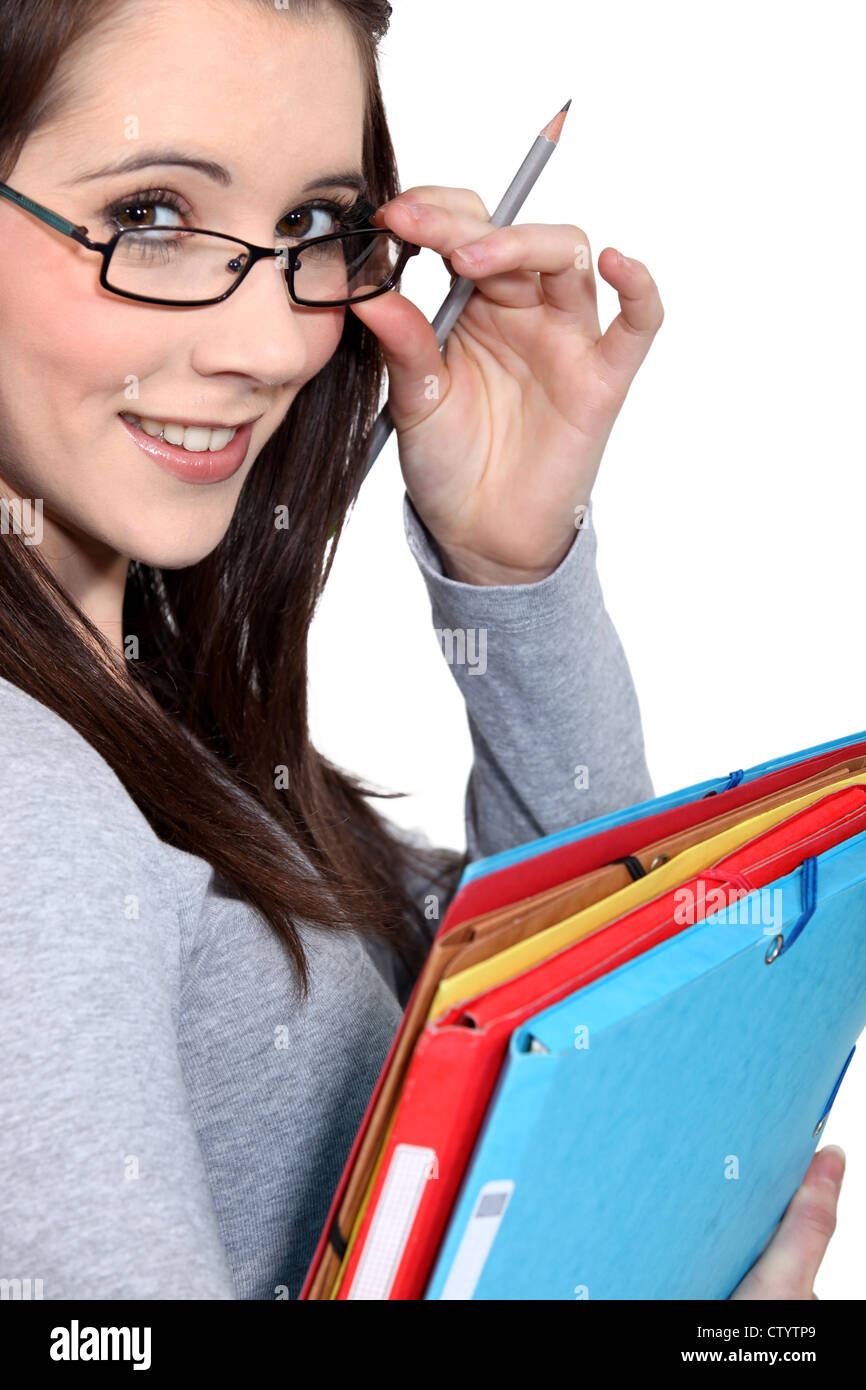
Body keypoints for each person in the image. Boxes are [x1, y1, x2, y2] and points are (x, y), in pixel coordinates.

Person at [0, 0, 843, 1300]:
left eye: (312, 228)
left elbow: (572, 1007)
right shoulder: (29, 797)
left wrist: (512, 568)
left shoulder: (142, 706)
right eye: (149, 217)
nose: (275, 343)